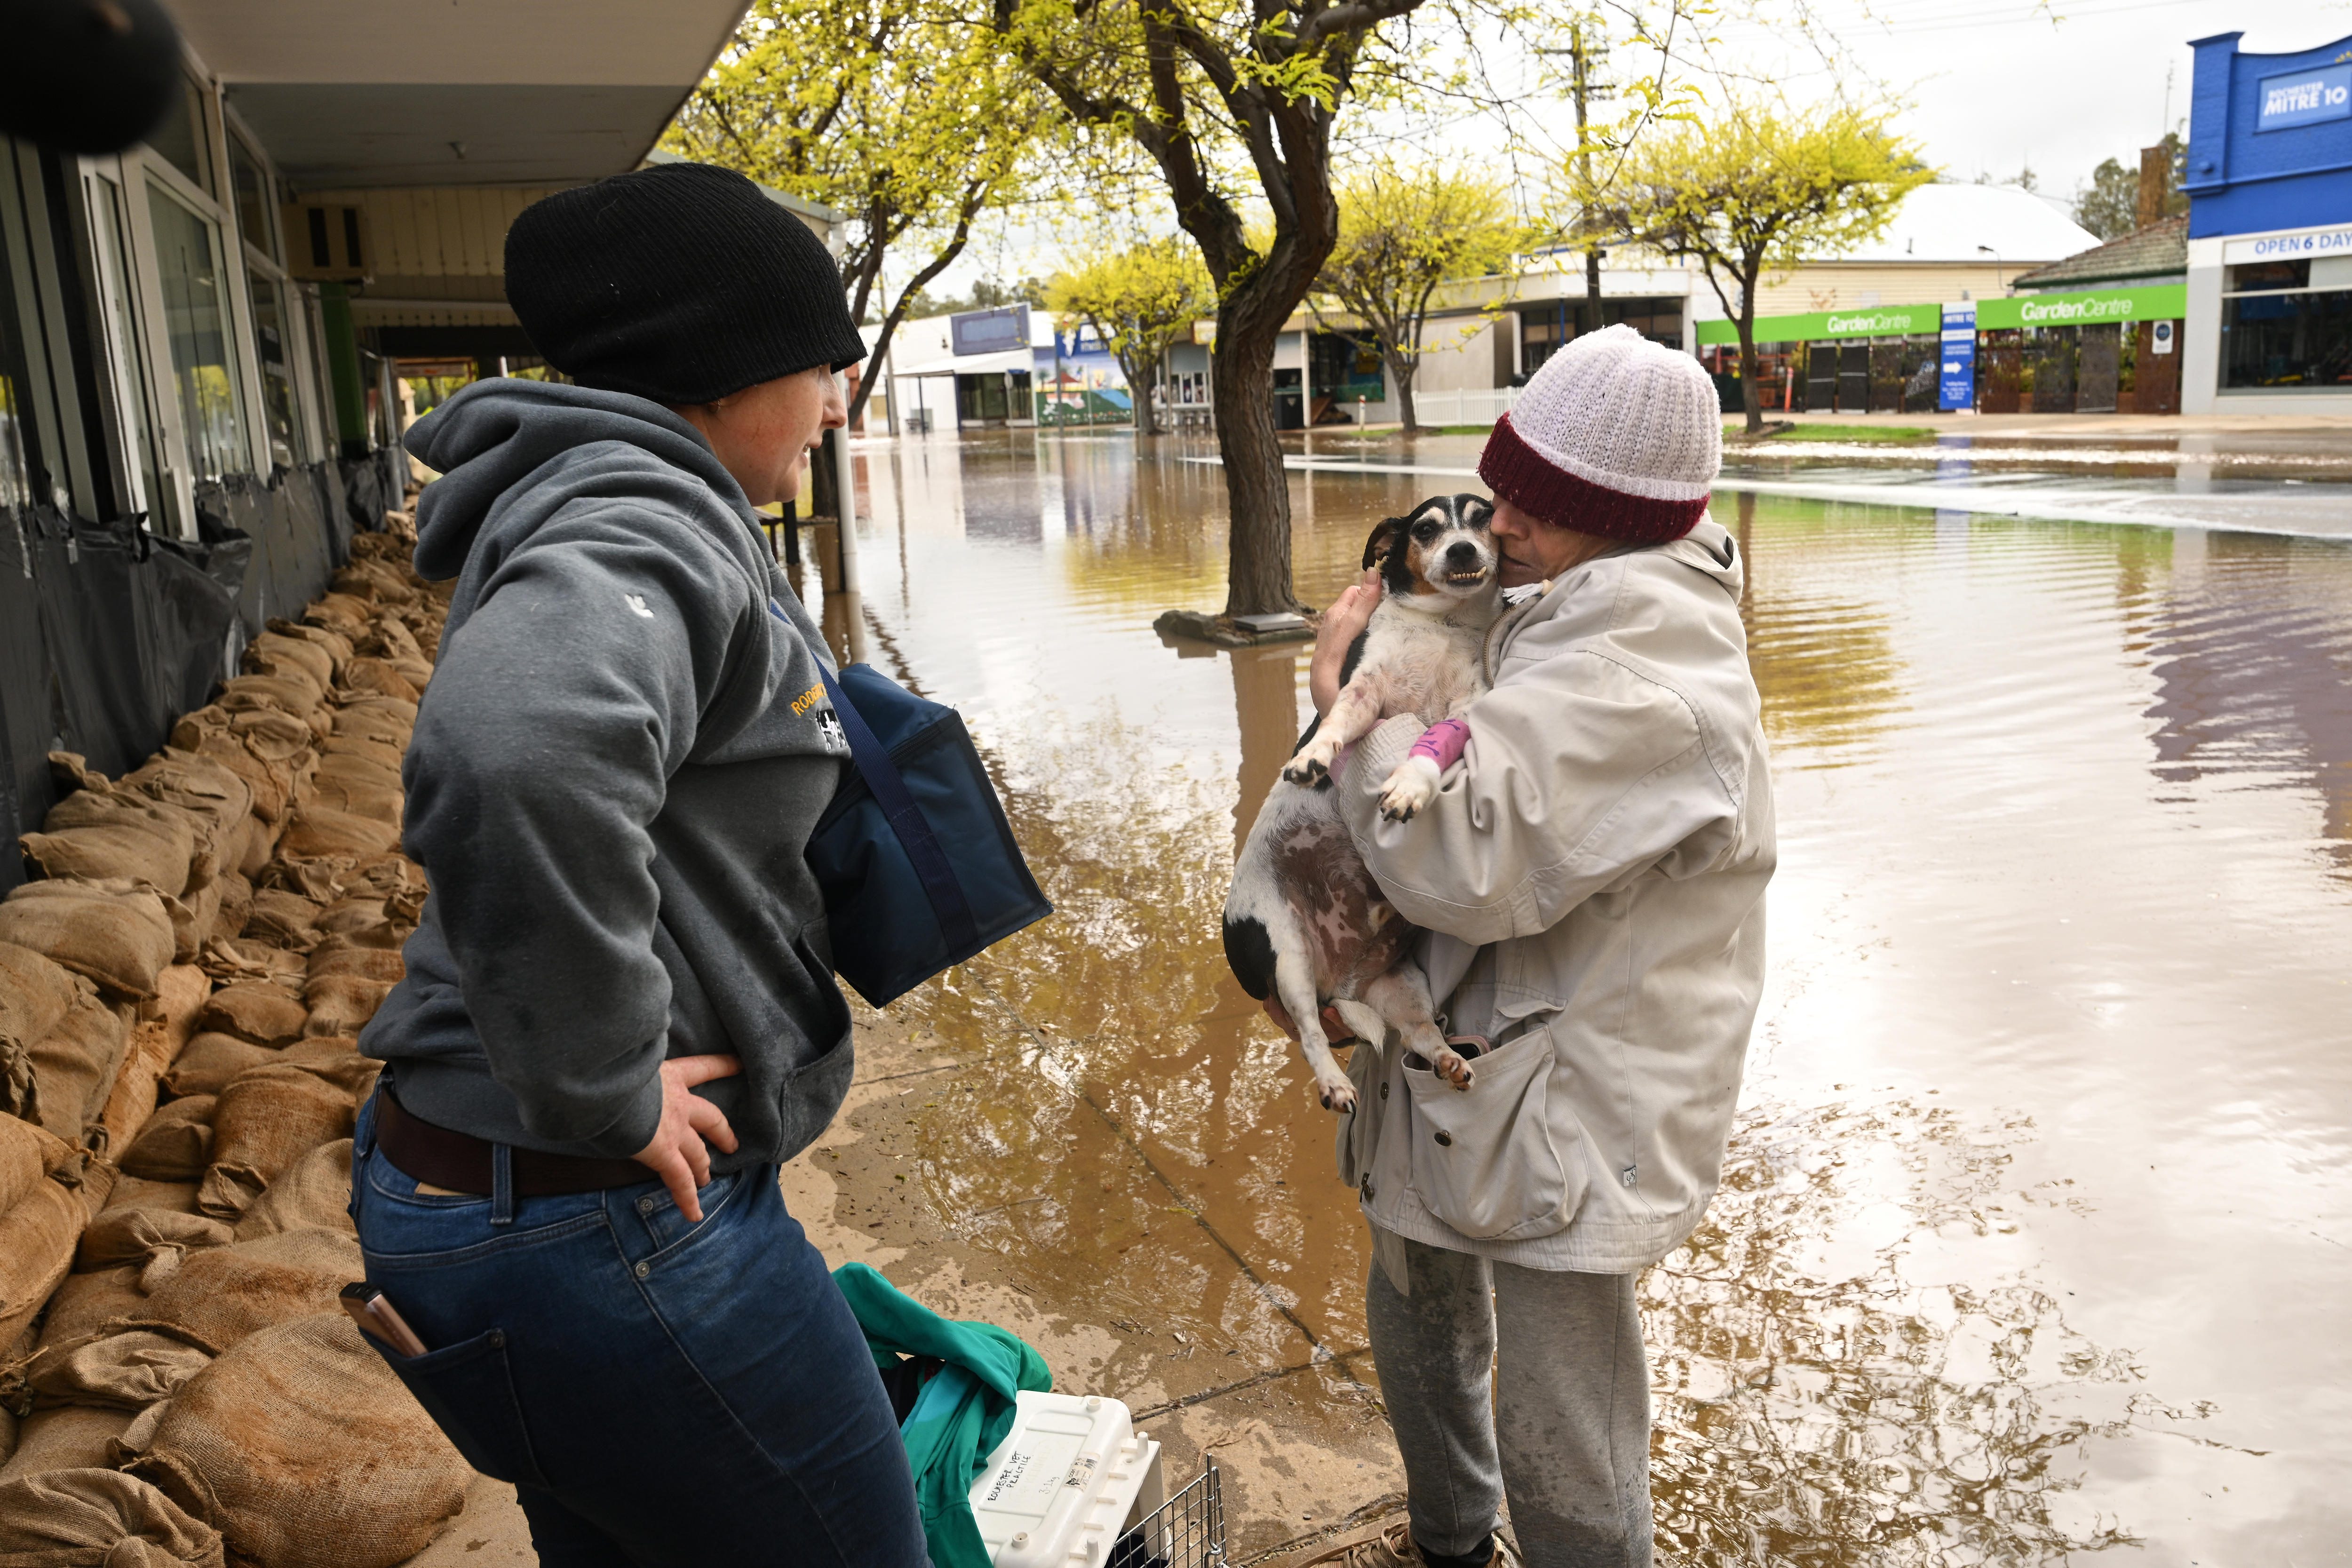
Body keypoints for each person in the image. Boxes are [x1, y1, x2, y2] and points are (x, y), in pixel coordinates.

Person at [350, 163, 931, 1568]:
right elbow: (518, 758)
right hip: (603, 1217)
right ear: (724, 373)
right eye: (821, 361)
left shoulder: (590, 502)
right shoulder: (643, 520)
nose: (840, 398)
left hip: (502, 1194)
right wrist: (604, 1087)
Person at [1287, 326, 1776, 1568]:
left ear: (1609, 516)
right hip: (1460, 1071)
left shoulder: (1646, 674)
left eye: (1528, 504)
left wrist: (1344, 692)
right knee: (1415, 1313)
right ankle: (1451, 1543)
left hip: (1567, 1115)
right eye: (1496, 492)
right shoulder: (1554, 601)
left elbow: (1449, 853)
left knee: (1562, 1424)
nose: (1494, 524)